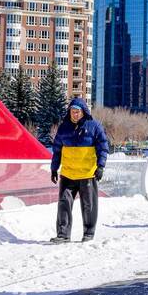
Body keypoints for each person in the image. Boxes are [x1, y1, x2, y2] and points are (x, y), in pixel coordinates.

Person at [49, 96, 109, 243]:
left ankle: (88, 233)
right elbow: (57, 150)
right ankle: (63, 234)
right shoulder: (64, 128)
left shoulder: (94, 126)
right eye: (72, 111)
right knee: (64, 203)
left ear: (83, 112)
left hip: (87, 173)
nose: (74, 114)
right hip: (68, 174)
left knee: (89, 205)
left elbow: (103, 147)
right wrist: (54, 169)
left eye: (77, 111)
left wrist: (101, 166)